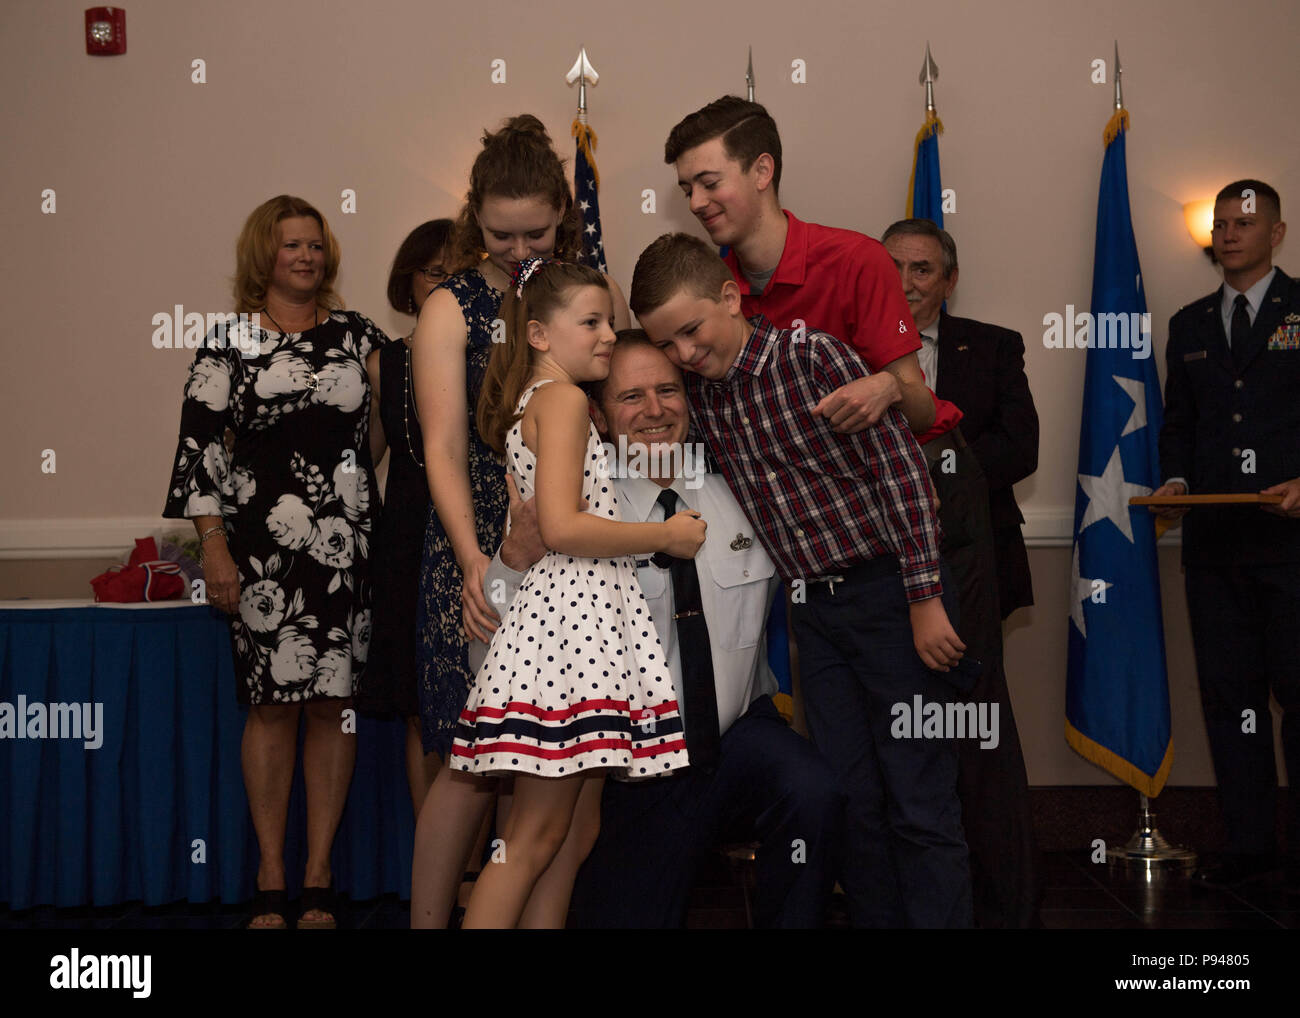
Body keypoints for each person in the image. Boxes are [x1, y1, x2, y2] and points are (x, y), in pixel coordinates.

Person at [632, 232, 972, 929]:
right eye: (670, 346)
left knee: (917, 794)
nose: (686, 355)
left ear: (730, 295)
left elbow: (903, 474)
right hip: (815, 616)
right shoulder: (707, 397)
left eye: (693, 332)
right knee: (852, 798)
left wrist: (925, 598)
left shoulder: (811, 355)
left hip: (891, 597)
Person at [481, 331, 841, 927]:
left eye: (668, 390)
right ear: (598, 412)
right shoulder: (574, 512)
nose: (654, 410)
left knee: (815, 792)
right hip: (631, 768)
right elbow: (496, 649)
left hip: (734, 741)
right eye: (631, 396)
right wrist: (512, 561)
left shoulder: (743, 492)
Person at [407, 114, 629, 929]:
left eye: (534, 230)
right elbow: (439, 446)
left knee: (570, 783)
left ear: (562, 216)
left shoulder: (580, 296)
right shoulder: (452, 305)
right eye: (499, 232)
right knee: (472, 768)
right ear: (474, 216)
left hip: (578, 562)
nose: (515, 247)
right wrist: (476, 561)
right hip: (480, 552)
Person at [449, 259, 703, 928]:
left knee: (570, 831)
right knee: (532, 837)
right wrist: (664, 536)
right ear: (537, 333)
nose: (607, 337)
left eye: (609, 322)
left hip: (579, 622)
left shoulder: (545, 401)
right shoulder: (560, 401)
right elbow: (560, 527)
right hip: (570, 628)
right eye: (589, 322)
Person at [163, 194, 389, 929]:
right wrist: (216, 549)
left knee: (333, 706)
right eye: (291, 245)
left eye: (315, 245)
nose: (306, 257)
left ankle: (319, 874)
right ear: (264, 253)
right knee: (272, 706)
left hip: (345, 549)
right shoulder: (227, 342)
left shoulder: (358, 335)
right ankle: (270, 873)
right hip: (258, 557)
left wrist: (354, 489)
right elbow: (201, 456)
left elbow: (389, 424)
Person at [882, 218, 1042, 928]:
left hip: (977, 569)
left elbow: (1022, 446)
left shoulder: (995, 347)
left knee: (980, 735)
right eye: (895, 269)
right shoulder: (851, 352)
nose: (908, 284)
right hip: (885, 576)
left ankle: (1006, 902)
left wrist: (937, 473)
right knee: (903, 732)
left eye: (922, 270)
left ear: (948, 280)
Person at [1153, 179, 1300, 891]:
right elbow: (1178, 421)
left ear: (1276, 233)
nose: (1230, 233)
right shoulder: (1190, 324)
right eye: (1221, 223)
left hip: (1290, 543)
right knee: (1231, 701)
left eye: (1245, 222)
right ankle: (1248, 847)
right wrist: (1175, 483)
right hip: (1215, 548)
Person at [359, 218, 454, 814]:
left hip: (474, 535)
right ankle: (435, 871)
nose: (445, 284)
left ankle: (479, 874)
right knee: (420, 703)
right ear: (408, 282)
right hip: (406, 539)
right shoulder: (379, 364)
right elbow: (369, 455)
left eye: (457, 273)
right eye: (434, 272)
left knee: (480, 704)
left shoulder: (487, 357)